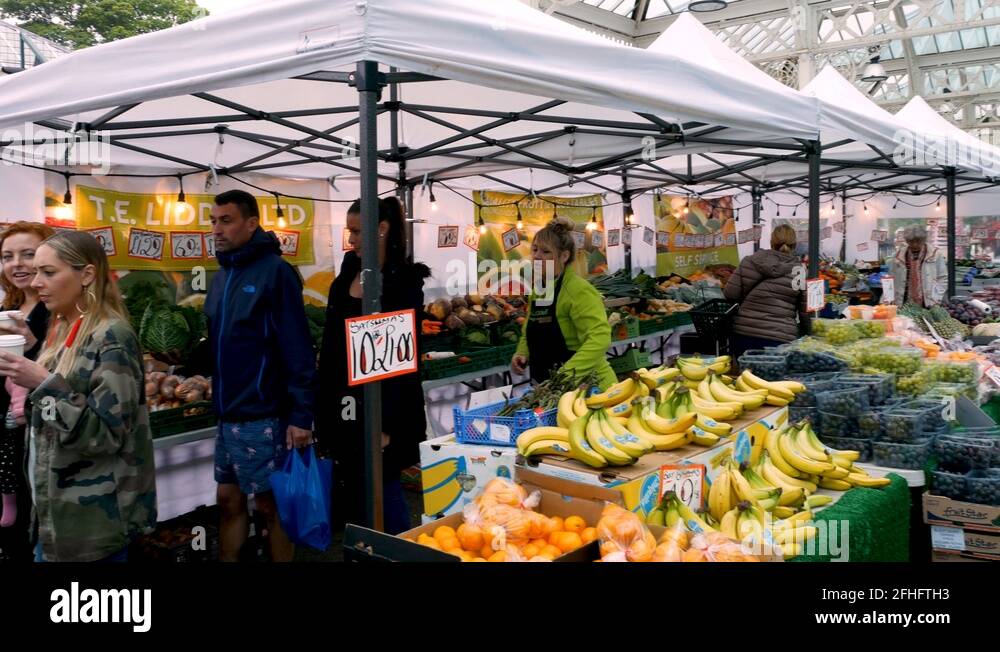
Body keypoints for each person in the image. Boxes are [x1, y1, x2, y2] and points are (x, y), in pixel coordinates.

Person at [0, 230, 156, 562]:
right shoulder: (63, 326)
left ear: (86, 274)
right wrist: (30, 350)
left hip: (92, 526)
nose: (36, 281)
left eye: (49, 272)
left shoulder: (111, 336)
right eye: (37, 270)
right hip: (56, 519)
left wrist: (43, 384)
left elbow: (106, 436)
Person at [205, 189, 316, 562]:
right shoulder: (222, 275)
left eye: (227, 220)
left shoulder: (276, 273)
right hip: (227, 414)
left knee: (271, 506)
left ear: (251, 223)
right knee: (227, 499)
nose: (217, 229)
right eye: (214, 221)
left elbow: (297, 346)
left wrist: (301, 415)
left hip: (263, 412)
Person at [316, 197, 429, 535]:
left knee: (385, 491)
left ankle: (399, 552)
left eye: (357, 231)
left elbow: (400, 362)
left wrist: (387, 425)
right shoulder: (349, 268)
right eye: (348, 231)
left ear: (382, 229)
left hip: (382, 407)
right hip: (343, 403)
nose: (351, 240)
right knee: (354, 497)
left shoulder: (404, 282)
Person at [510, 216, 616, 390]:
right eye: (535, 250)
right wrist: (522, 352)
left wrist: (565, 375)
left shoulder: (578, 290)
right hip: (551, 386)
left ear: (564, 255)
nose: (537, 256)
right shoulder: (540, 289)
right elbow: (530, 328)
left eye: (546, 252)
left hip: (588, 386)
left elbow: (600, 338)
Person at [0, 222, 54, 561]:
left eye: (28, 254)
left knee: (26, 525)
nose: (16, 264)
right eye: (7, 256)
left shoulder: (56, 312)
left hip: (36, 436)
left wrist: (32, 346)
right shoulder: (10, 308)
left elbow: (56, 375)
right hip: (7, 431)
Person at [724, 224, 810, 359]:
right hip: (780, 337)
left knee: (745, 378)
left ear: (771, 242)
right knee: (773, 378)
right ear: (794, 245)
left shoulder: (750, 261)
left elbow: (730, 294)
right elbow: (804, 310)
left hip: (744, 332)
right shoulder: (799, 271)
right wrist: (808, 332)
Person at [890, 225, 947, 307]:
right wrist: (889, 298)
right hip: (903, 301)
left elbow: (942, 278)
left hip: (929, 302)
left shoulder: (935, 254)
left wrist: (936, 297)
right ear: (906, 240)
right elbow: (891, 278)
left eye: (918, 241)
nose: (915, 244)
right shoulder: (898, 256)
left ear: (924, 240)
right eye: (911, 241)